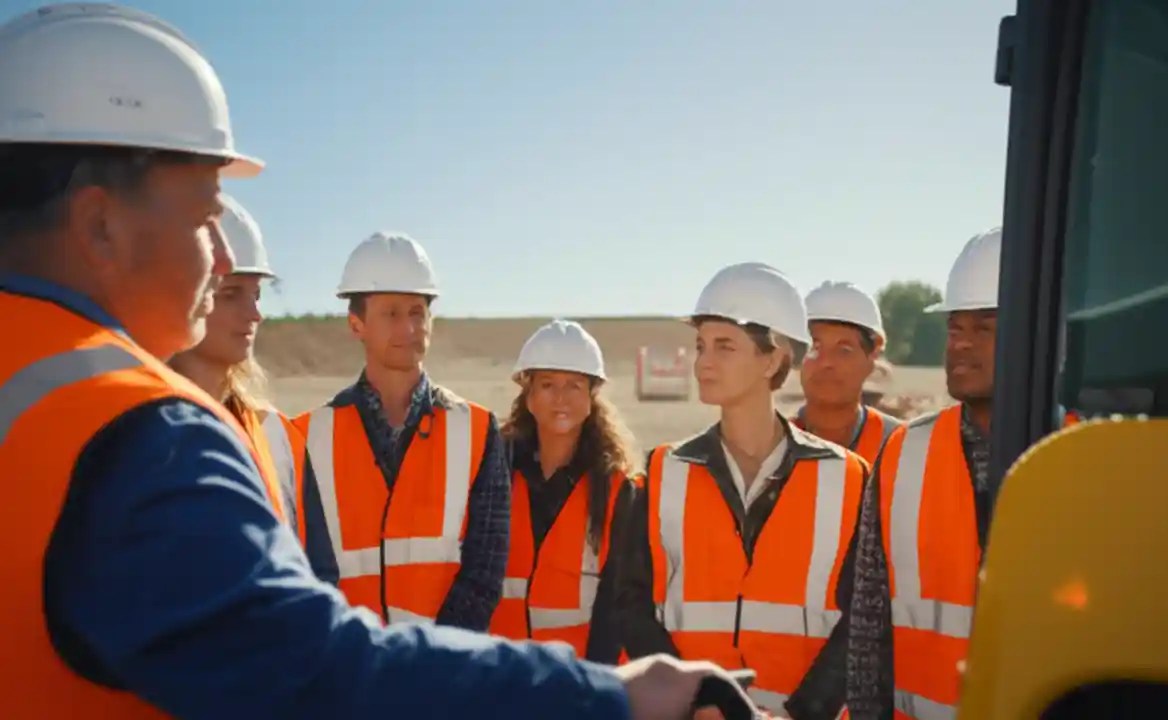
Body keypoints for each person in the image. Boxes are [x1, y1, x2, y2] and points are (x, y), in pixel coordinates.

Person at [0, 4, 736, 717]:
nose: (221, 256)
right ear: (99, 225)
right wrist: (611, 695)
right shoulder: (143, 436)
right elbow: (305, 666)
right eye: (205, 219)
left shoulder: (34, 386)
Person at [616, 262, 872, 719]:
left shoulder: (849, 477)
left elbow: (861, 619)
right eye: (700, 346)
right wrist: (699, 703)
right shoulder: (660, 471)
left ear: (772, 359)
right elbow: (631, 604)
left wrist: (801, 714)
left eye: (724, 346)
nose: (702, 362)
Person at [293, 231, 508, 631]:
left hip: (444, 673)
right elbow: (305, 570)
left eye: (416, 312)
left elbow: (486, 566)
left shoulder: (478, 430)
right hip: (349, 672)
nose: (408, 328)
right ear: (356, 324)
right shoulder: (305, 437)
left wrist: (434, 661)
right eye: (391, 313)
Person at [844, 227, 1002, 720]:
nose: (961, 344)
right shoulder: (902, 453)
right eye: (956, 328)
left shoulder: (1081, 455)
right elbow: (870, 627)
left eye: (985, 328)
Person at [489, 319, 638, 664]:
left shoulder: (619, 489)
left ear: (591, 397)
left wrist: (593, 691)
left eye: (574, 385)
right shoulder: (494, 474)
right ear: (528, 395)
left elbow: (615, 610)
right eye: (547, 384)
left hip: (580, 686)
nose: (560, 398)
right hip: (502, 682)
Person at [169, 193, 307, 539]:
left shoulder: (275, 432)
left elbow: (316, 564)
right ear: (189, 294)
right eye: (230, 294)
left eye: (256, 294)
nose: (254, 314)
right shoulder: (140, 429)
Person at [792, 282, 902, 465]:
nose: (826, 362)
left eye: (844, 350)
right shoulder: (767, 449)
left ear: (873, 354)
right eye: (814, 347)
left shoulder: (902, 446)